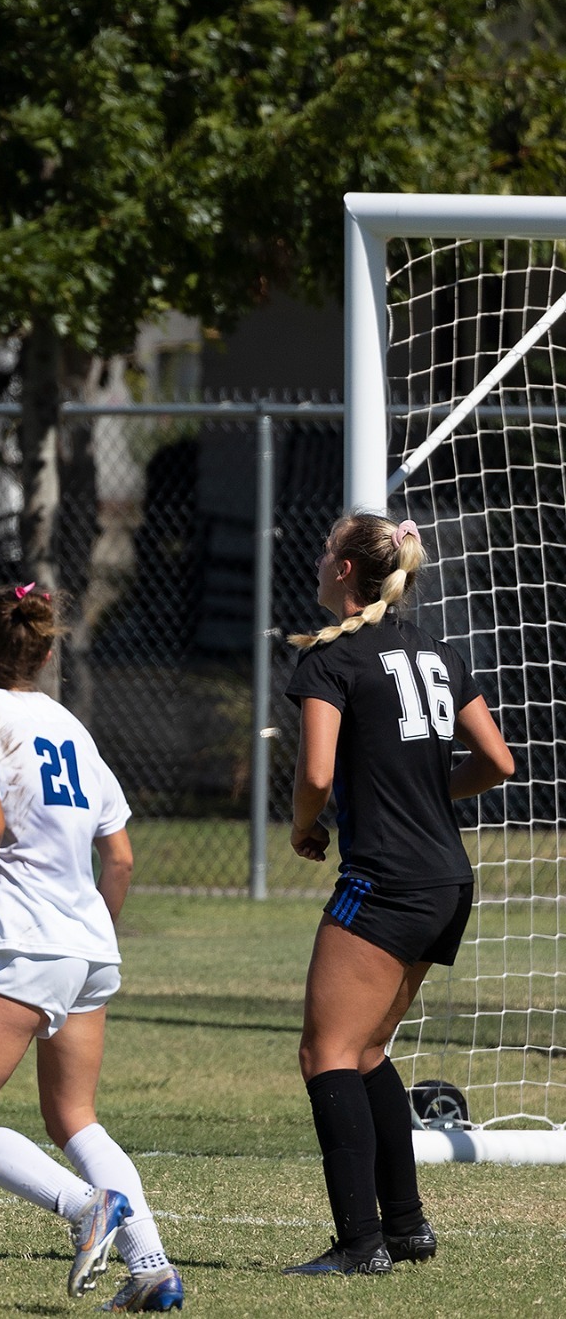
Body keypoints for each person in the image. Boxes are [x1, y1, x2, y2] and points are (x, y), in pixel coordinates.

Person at [0, 585, 184, 1311]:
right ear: (42, 653)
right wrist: (91, 933)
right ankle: (152, 1263)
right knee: (75, 1117)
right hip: (91, 946)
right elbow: (121, 858)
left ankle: (83, 1207)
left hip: (34, 946)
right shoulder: (74, 728)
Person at [281, 514, 513, 1277]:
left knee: (325, 1052)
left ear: (347, 570)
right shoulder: (439, 652)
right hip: (448, 877)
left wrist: (305, 828)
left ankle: (358, 1244)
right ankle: (406, 1228)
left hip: (387, 878)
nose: (318, 559)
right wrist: (429, 795)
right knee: (368, 1047)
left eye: (325, 548)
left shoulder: (332, 657)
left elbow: (315, 776)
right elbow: (498, 760)